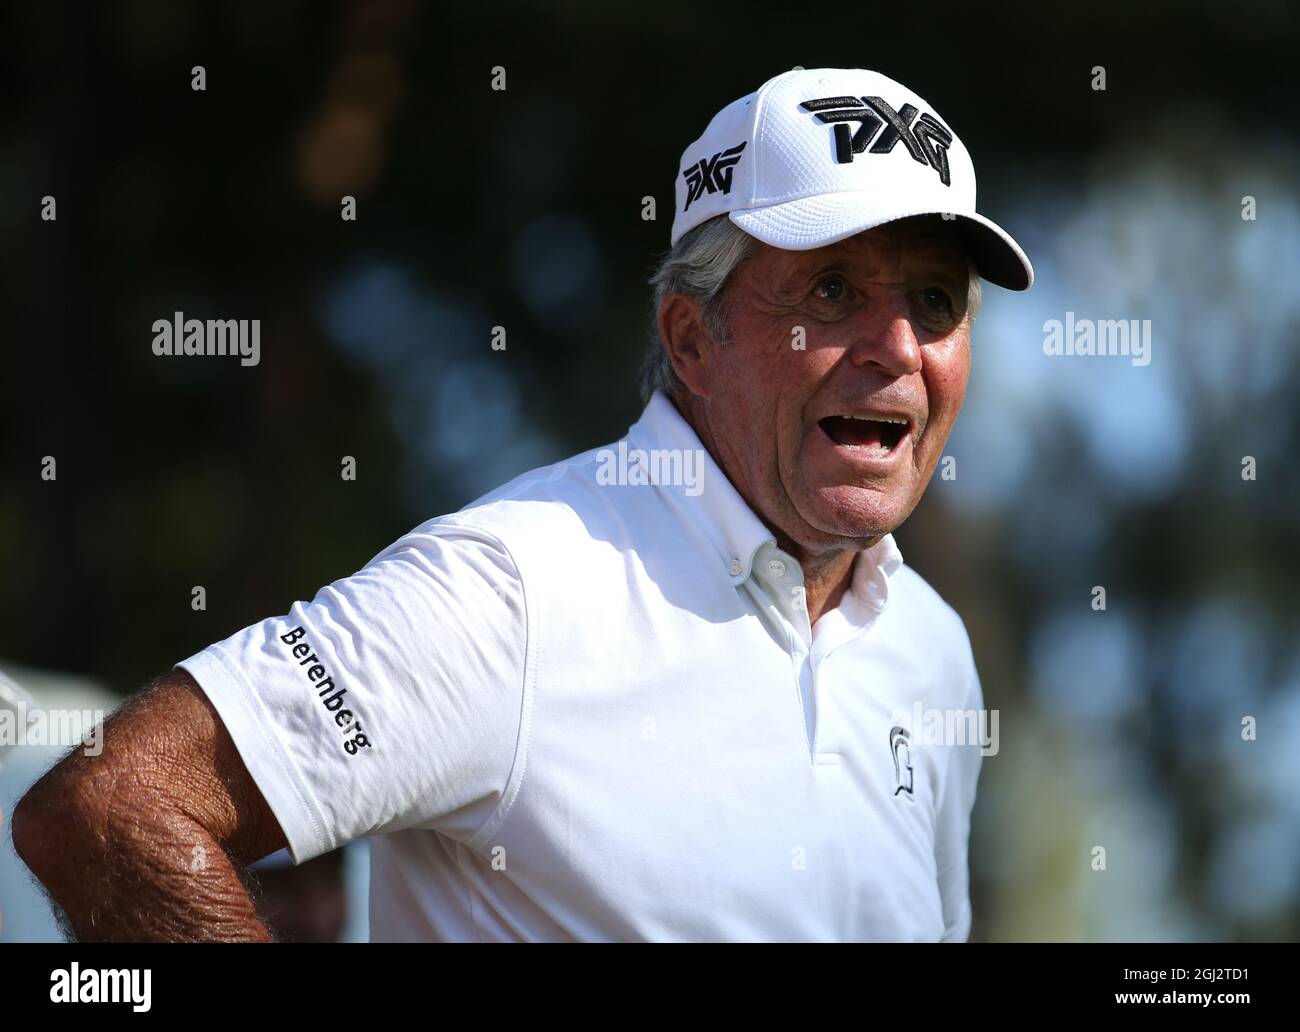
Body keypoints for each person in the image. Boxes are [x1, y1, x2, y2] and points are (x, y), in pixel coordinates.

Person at [13, 66, 1032, 942]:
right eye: (831, 292)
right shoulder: (517, 588)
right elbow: (112, 805)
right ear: (690, 338)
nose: (898, 348)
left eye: (934, 301)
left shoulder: (927, 647)